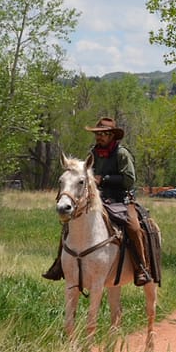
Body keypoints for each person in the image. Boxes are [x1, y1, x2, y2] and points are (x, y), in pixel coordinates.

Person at [43, 117, 152, 286]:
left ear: (112, 136)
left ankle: (141, 268)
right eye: (97, 134)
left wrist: (105, 179)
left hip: (120, 199)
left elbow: (129, 179)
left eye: (103, 134)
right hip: (96, 199)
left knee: (134, 227)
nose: (99, 137)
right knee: (69, 223)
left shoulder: (122, 153)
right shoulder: (92, 153)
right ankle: (59, 264)